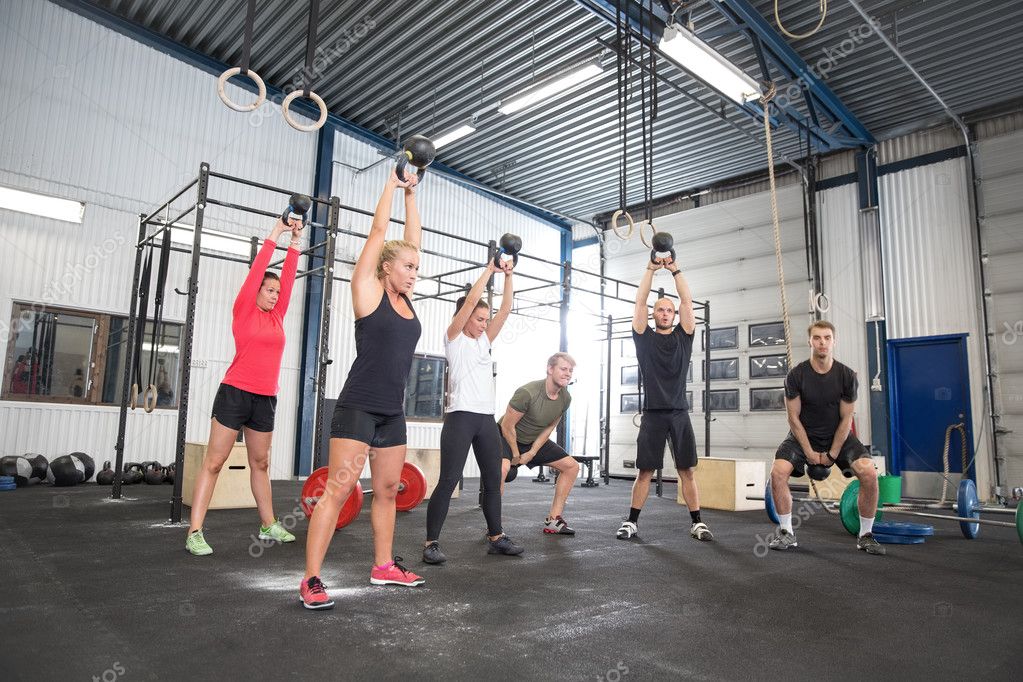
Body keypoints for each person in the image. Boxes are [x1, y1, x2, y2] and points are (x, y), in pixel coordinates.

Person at [301, 171, 424, 610]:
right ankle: (312, 578)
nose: (414, 273)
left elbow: (413, 239)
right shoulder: (366, 290)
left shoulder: (406, 300)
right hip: (357, 407)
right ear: (387, 267)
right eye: (408, 267)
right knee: (338, 490)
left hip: (392, 411)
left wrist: (413, 194)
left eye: (416, 267)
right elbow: (379, 232)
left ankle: (384, 566)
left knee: (389, 490)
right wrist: (392, 185)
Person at [185, 216, 302, 556]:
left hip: (265, 398)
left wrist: (296, 243)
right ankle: (194, 531)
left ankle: (268, 524)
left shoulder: (277, 316)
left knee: (261, 463)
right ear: (257, 292)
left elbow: (290, 279)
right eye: (269, 290)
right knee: (215, 462)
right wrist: (278, 232)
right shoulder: (244, 310)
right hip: (235, 392)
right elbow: (259, 270)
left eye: (277, 292)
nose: (275, 295)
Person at [421, 257, 523, 564]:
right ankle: (431, 544)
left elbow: (505, 310)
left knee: (493, 479)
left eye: (484, 320)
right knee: (449, 479)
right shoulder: (453, 338)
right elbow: (470, 305)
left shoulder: (484, 343)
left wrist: (508, 276)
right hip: (460, 417)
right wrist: (489, 271)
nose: (484, 323)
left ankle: (496, 538)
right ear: (465, 318)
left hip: (485, 419)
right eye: (479, 319)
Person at [616, 256, 712, 542]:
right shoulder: (643, 338)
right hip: (653, 414)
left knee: (687, 471)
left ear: (675, 315)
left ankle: (697, 523)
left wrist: (675, 270)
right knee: (645, 472)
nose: (666, 313)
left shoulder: (685, 337)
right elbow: (639, 303)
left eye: (670, 310)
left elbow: (687, 301)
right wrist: (649, 269)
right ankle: (631, 522)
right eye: (661, 310)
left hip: (679, 413)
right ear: (654, 314)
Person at [768, 320, 884, 555]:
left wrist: (832, 453)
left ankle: (866, 535)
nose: (822, 342)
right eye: (818, 338)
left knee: (869, 473)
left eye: (827, 338)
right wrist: (809, 452)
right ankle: (786, 532)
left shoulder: (847, 375)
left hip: (838, 436)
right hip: (803, 435)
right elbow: (793, 418)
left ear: (834, 341)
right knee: (778, 472)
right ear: (810, 341)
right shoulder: (796, 375)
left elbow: (846, 419)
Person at [499, 353, 579, 535]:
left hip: (532, 440)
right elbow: (507, 426)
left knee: (571, 467)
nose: (568, 374)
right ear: (550, 369)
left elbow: (549, 427)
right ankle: (494, 526)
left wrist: (532, 452)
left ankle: (553, 520)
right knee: (503, 470)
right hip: (505, 436)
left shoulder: (565, 398)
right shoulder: (527, 393)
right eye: (563, 369)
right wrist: (516, 454)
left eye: (570, 371)